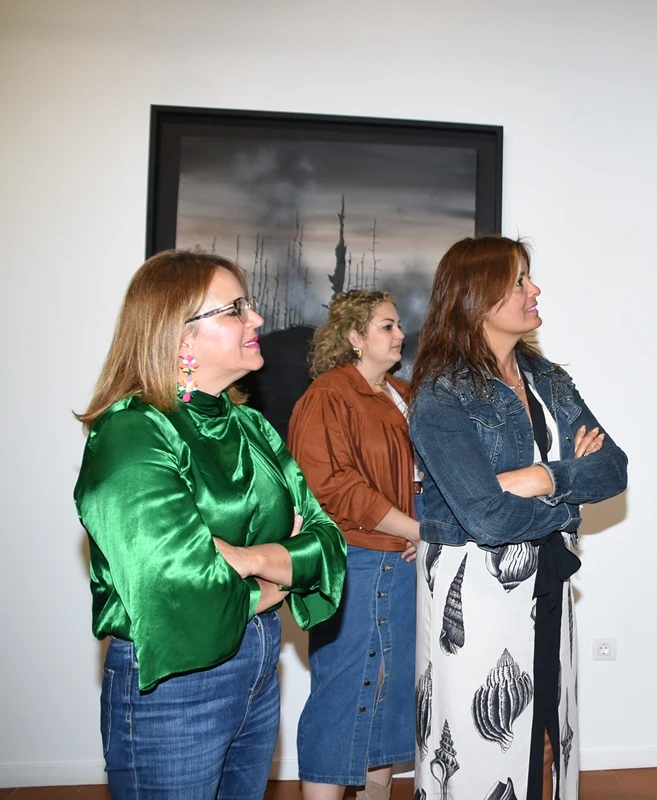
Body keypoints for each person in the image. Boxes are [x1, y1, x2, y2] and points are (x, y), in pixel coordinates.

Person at [73, 249, 347, 800]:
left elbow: (329, 544)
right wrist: (284, 565)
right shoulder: (134, 433)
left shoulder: (250, 425)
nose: (258, 320)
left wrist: (243, 560)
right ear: (179, 337)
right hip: (177, 682)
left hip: (258, 664)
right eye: (235, 310)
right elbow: (176, 586)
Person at [408, 235, 628, 800]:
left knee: (549, 733)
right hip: (473, 592)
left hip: (548, 576)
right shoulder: (440, 394)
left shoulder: (547, 379)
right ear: (476, 300)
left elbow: (614, 469)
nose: (535, 290)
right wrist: (565, 492)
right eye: (519, 281)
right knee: (483, 746)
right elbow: (486, 518)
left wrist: (542, 478)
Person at [288, 290, 422, 800]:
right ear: (354, 337)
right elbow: (332, 485)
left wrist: (423, 526)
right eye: (386, 326)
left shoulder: (404, 394)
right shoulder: (329, 394)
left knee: (386, 702)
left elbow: (428, 477)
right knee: (343, 695)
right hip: (354, 562)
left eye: (397, 326)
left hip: (403, 564)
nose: (399, 334)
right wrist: (415, 531)